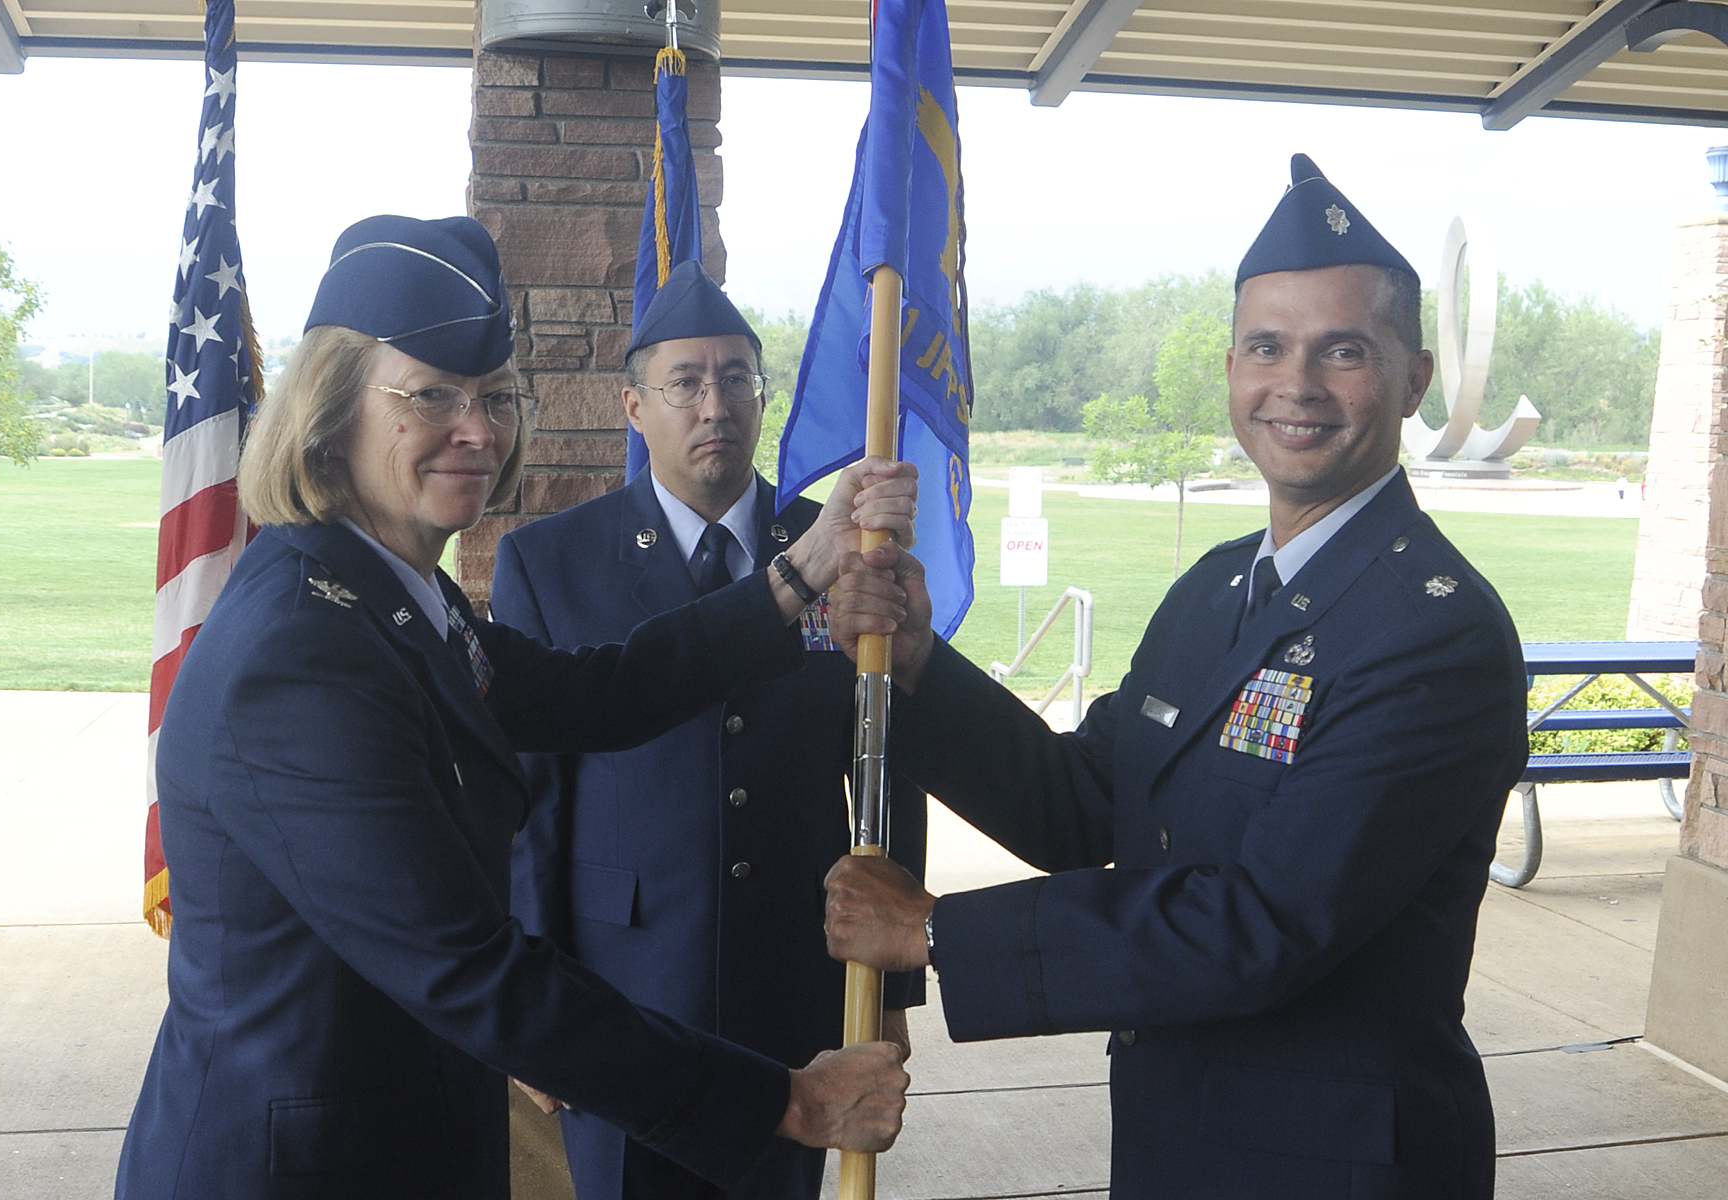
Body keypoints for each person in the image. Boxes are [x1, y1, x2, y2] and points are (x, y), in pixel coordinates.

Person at [114, 215, 914, 1200]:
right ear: (329, 410)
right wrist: (786, 1101)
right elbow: (468, 969)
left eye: (496, 397)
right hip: (297, 1169)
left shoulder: (396, 598)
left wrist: (800, 571)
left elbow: (603, 690)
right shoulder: (300, 655)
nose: (479, 431)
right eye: (432, 396)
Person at [823, 155, 1529, 1199]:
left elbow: (1264, 924)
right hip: (1180, 1139)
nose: (1296, 384)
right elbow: (1090, 805)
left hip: (1331, 1168)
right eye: (1267, 347)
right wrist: (921, 661)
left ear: (1414, 378)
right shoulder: (1216, 589)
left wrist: (935, 933)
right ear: (1233, 368)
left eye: (1343, 350)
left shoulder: (1434, 634)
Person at [489, 260, 929, 1200]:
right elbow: (532, 806)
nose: (714, 405)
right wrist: (534, 1003)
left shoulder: (844, 548)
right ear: (634, 406)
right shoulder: (551, 562)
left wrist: (892, 987)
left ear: (763, 398)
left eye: (736, 379)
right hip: (624, 985)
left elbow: (889, 764)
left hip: (794, 984)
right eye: (684, 382)